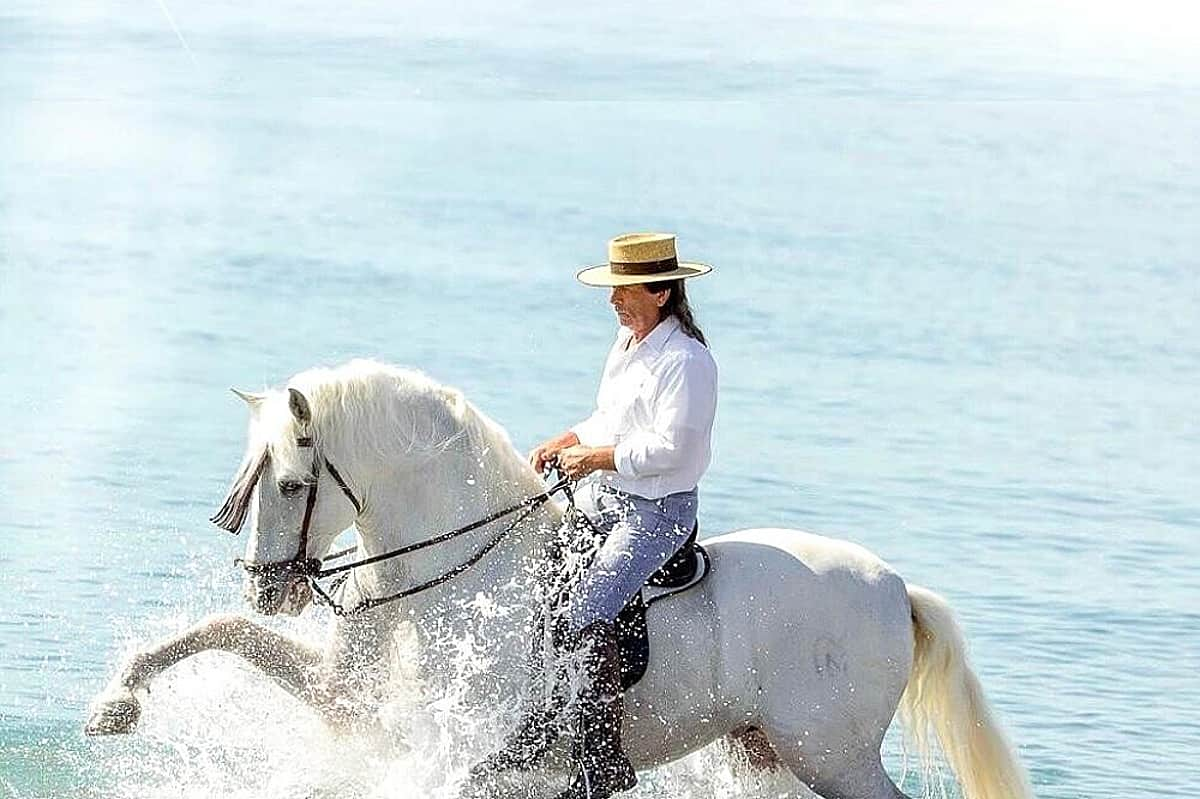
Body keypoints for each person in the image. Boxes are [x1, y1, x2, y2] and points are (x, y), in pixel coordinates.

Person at [473, 232, 718, 799]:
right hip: (605, 497)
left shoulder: (687, 361)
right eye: (612, 290)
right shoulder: (627, 344)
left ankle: (601, 759)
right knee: (531, 571)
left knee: (582, 614)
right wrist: (568, 438)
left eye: (623, 290)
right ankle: (549, 707)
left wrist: (594, 457)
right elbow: (609, 418)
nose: (613, 300)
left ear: (660, 292)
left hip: (656, 514)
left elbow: (672, 451)